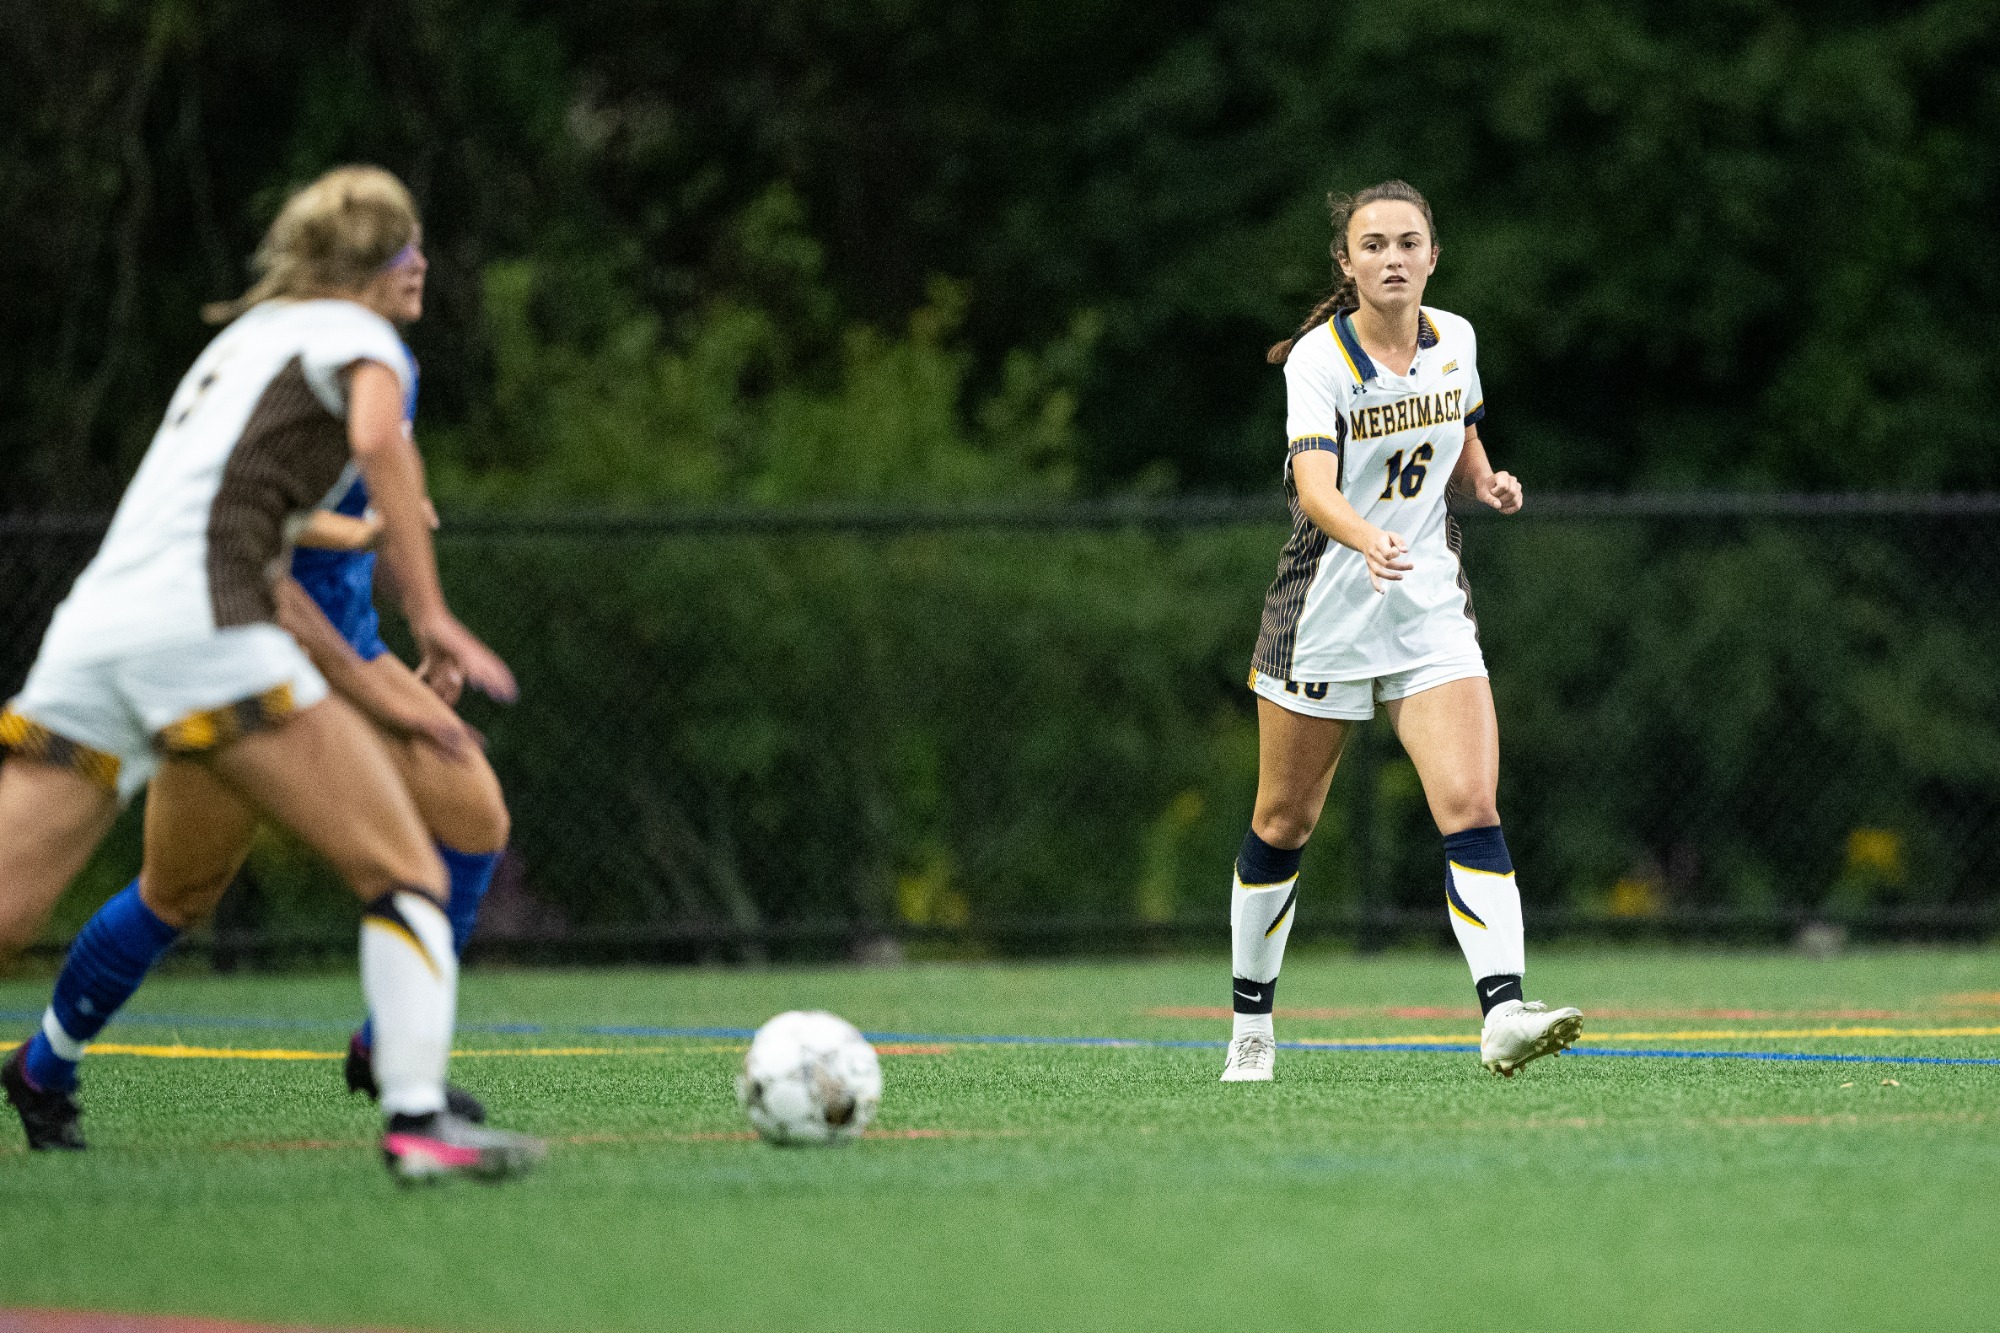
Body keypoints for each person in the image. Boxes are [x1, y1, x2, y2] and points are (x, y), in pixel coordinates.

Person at [0, 166, 543, 1179]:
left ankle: (387, 1073)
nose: (418, 260)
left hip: (99, 622)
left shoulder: (244, 344)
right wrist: (430, 613)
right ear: (362, 267)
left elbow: (247, 506)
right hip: (212, 629)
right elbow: (377, 440)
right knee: (401, 871)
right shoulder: (364, 342)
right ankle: (417, 1120)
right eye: (400, 244)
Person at [1219, 180, 1583, 1083]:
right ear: (1345, 264)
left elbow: (1454, 427)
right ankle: (1251, 1028)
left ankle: (1503, 1011)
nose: (1391, 257)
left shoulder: (1454, 337)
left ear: (1432, 255)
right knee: (1283, 820)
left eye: (1407, 242)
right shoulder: (1318, 359)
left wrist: (1487, 481)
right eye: (1372, 244)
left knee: (1471, 804)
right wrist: (1365, 533)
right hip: (1327, 613)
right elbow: (1313, 485)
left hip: (1426, 609)